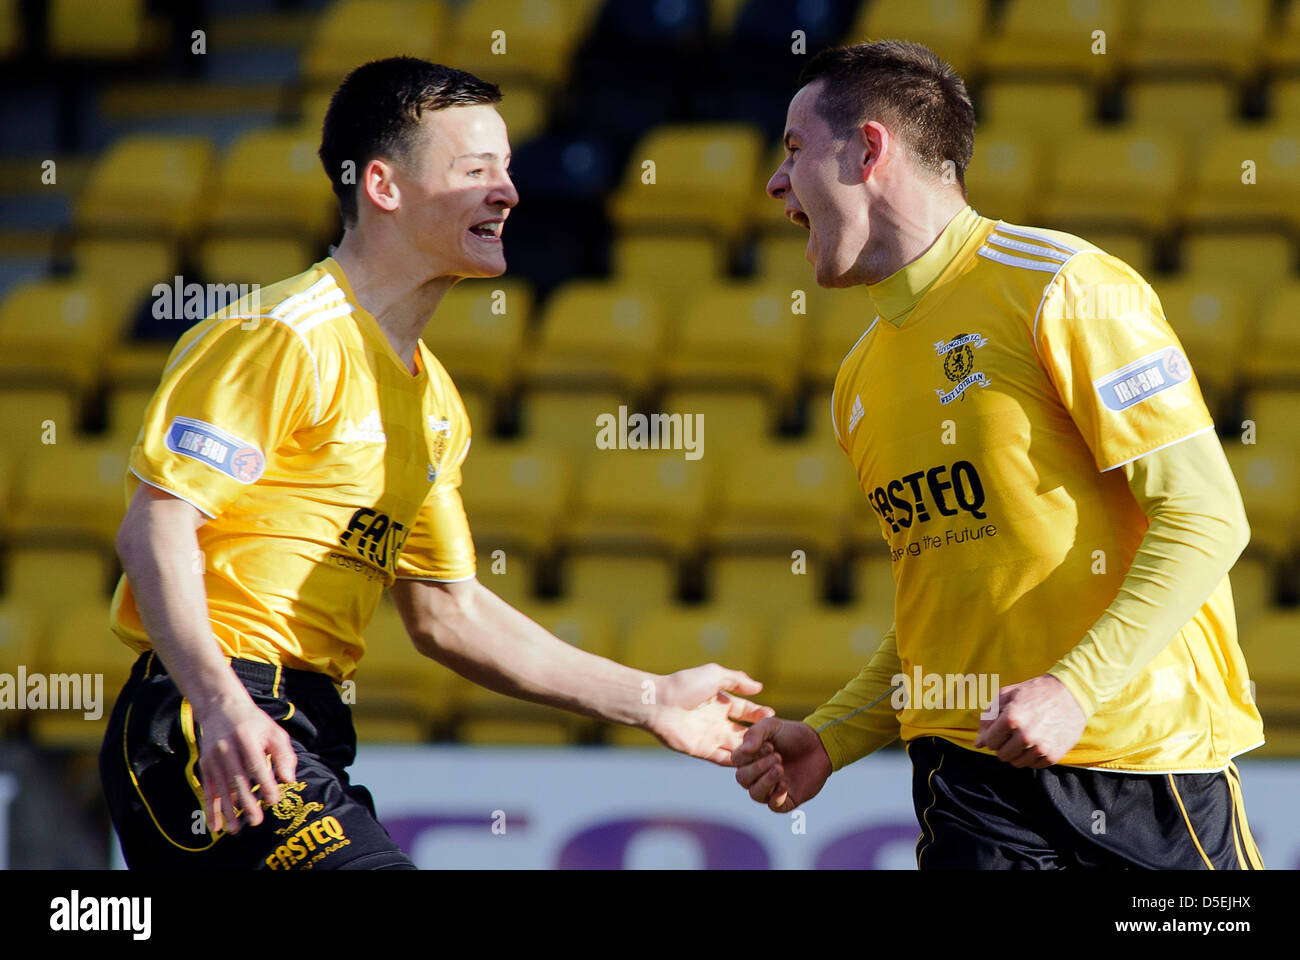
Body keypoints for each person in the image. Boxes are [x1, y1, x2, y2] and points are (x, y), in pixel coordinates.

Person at [100, 57, 772, 871]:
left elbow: (448, 616)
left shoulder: (433, 400)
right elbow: (154, 528)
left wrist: (652, 697)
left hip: (304, 724)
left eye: (509, 169)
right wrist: (222, 704)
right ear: (382, 186)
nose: (508, 192)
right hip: (209, 714)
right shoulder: (283, 335)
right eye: (475, 169)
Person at [732, 40, 1266, 869]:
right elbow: (943, 616)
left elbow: (1206, 516)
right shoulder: (858, 378)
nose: (774, 182)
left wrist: (1074, 689)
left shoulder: (1067, 287)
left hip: (1141, 770)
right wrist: (834, 736)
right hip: (967, 781)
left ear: (869, 149)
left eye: (794, 150)